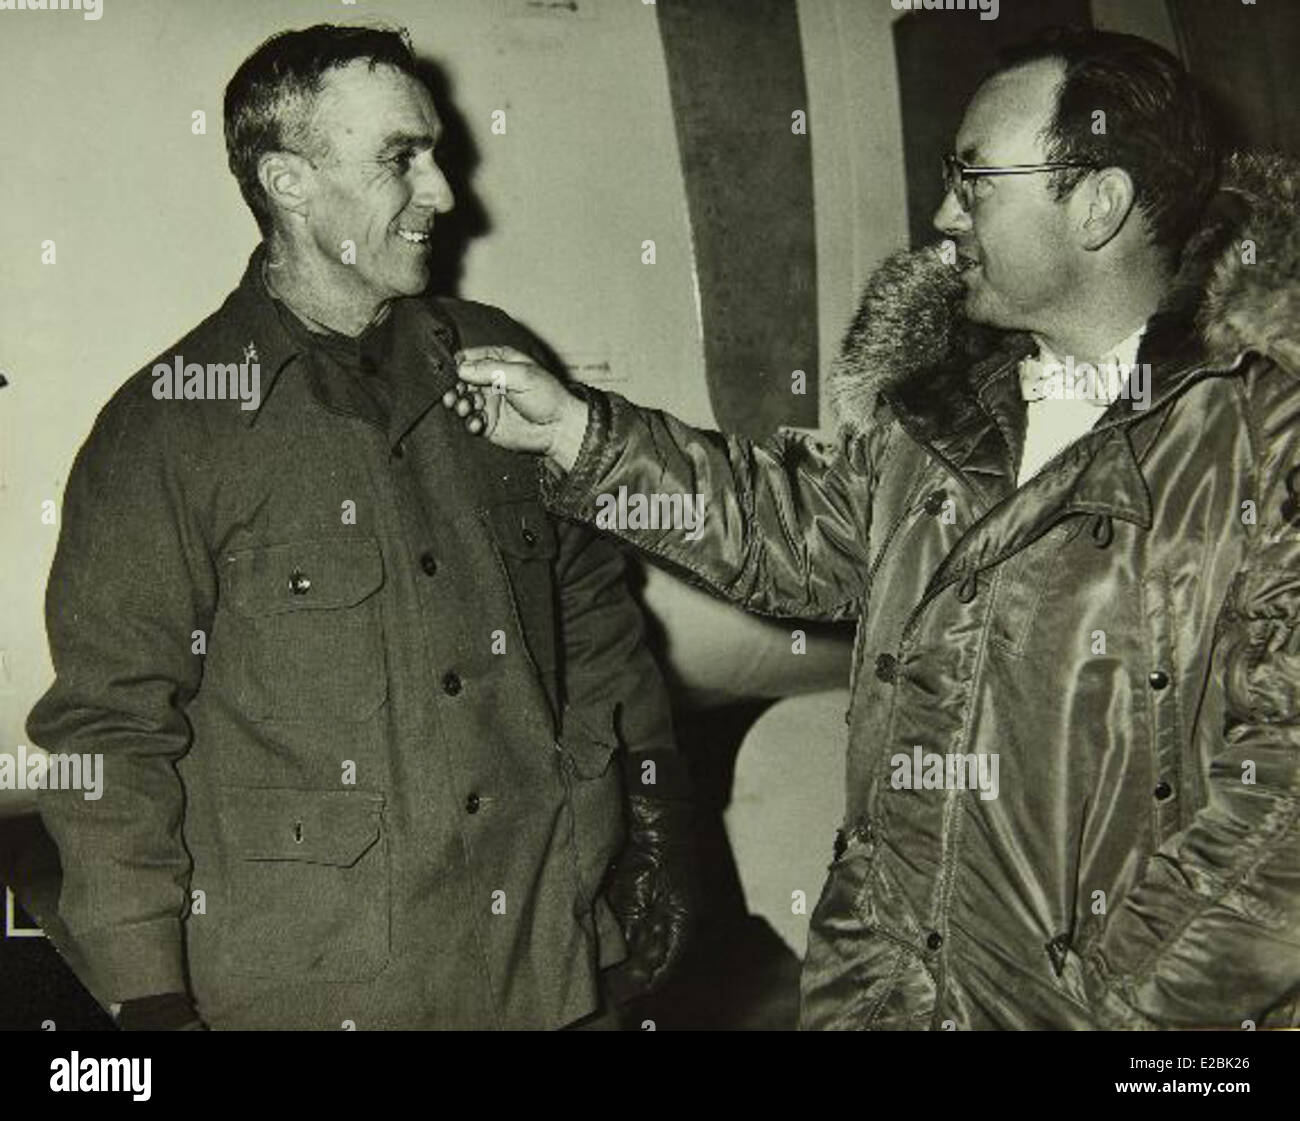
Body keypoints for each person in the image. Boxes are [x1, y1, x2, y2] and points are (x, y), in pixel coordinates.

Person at [444, 28, 1300, 1029]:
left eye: (975, 180)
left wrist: (1114, 1001)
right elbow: (794, 527)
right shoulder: (950, 407)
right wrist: (583, 436)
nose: (942, 216)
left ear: (1098, 204)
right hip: (887, 992)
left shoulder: (1259, 436)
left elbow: (1282, 804)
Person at [27, 23, 694, 1031]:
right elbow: (110, 733)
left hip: (546, 964)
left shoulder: (501, 364)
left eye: (434, 152)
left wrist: (649, 814)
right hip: (325, 986)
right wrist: (148, 996)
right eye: (401, 159)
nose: (443, 193)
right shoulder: (167, 431)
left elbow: (593, 607)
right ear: (287, 181)